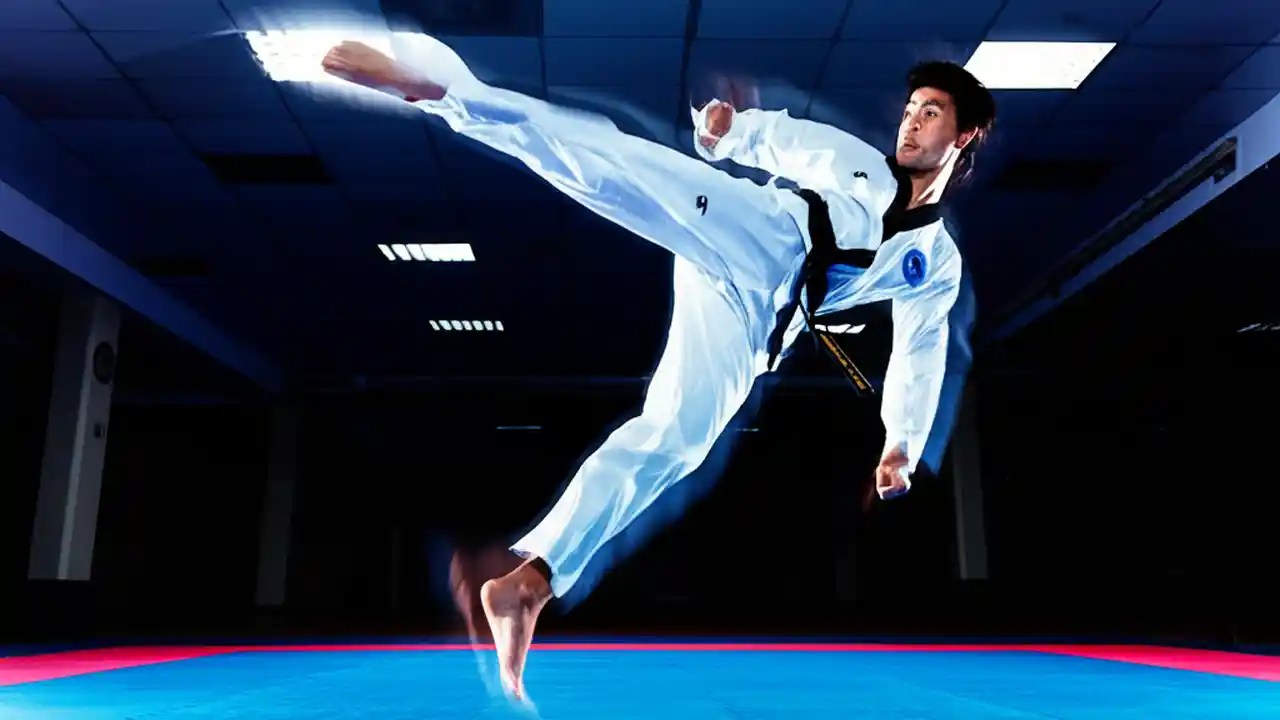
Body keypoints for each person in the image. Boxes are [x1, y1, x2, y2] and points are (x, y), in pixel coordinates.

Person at [319, 35, 995, 701]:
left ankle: (530, 582)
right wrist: (726, 132)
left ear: (963, 136)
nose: (911, 119)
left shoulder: (934, 264)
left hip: (758, 321)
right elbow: (779, 141)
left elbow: (921, 345)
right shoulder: (859, 166)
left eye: (931, 111)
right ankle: (447, 93)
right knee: (612, 162)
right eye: (910, 106)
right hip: (754, 229)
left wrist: (900, 444)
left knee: (677, 438)